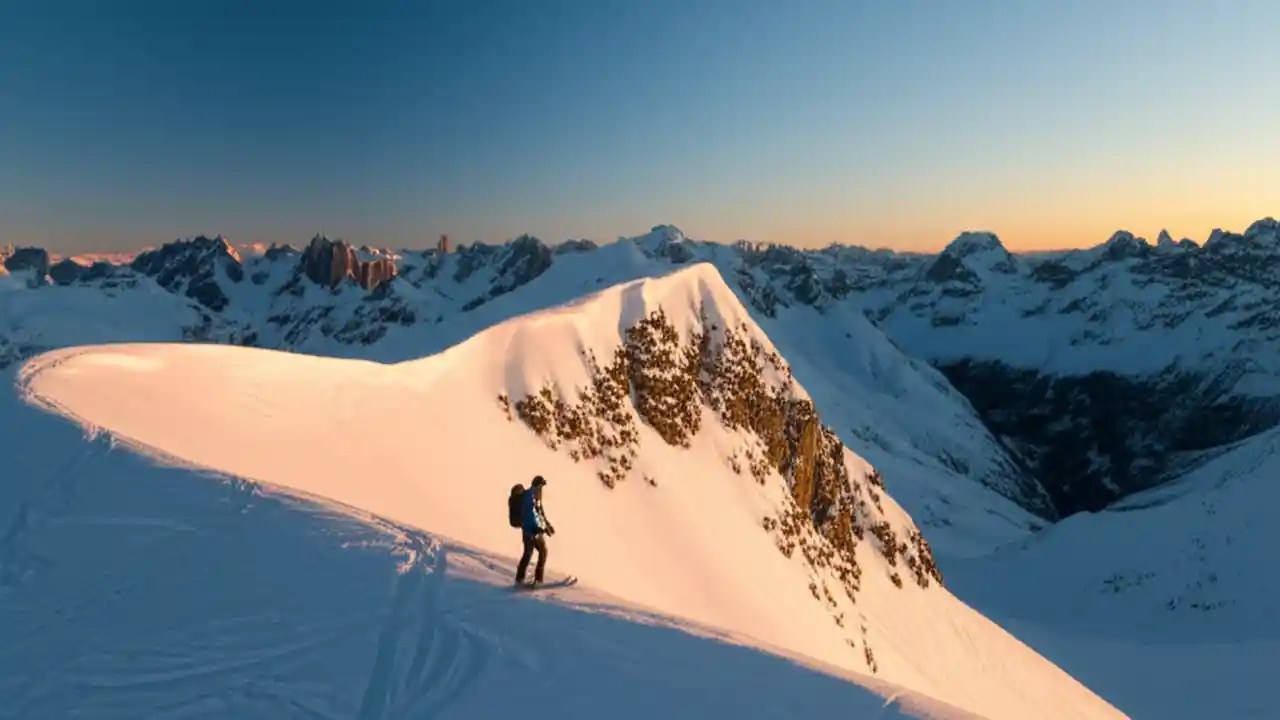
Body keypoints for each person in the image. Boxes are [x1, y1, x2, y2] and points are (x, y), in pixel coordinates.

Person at [515, 475, 555, 586]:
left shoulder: (535, 496)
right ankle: (528, 579)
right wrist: (539, 528)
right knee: (531, 553)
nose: (542, 488)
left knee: (536, 552)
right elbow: (531, 516)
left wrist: (546, 526)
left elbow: (540, 514)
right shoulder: (529, 497)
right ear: (537, 485)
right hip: (529, 531)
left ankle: (528, 579)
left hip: (533, 531)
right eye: (541, 486)